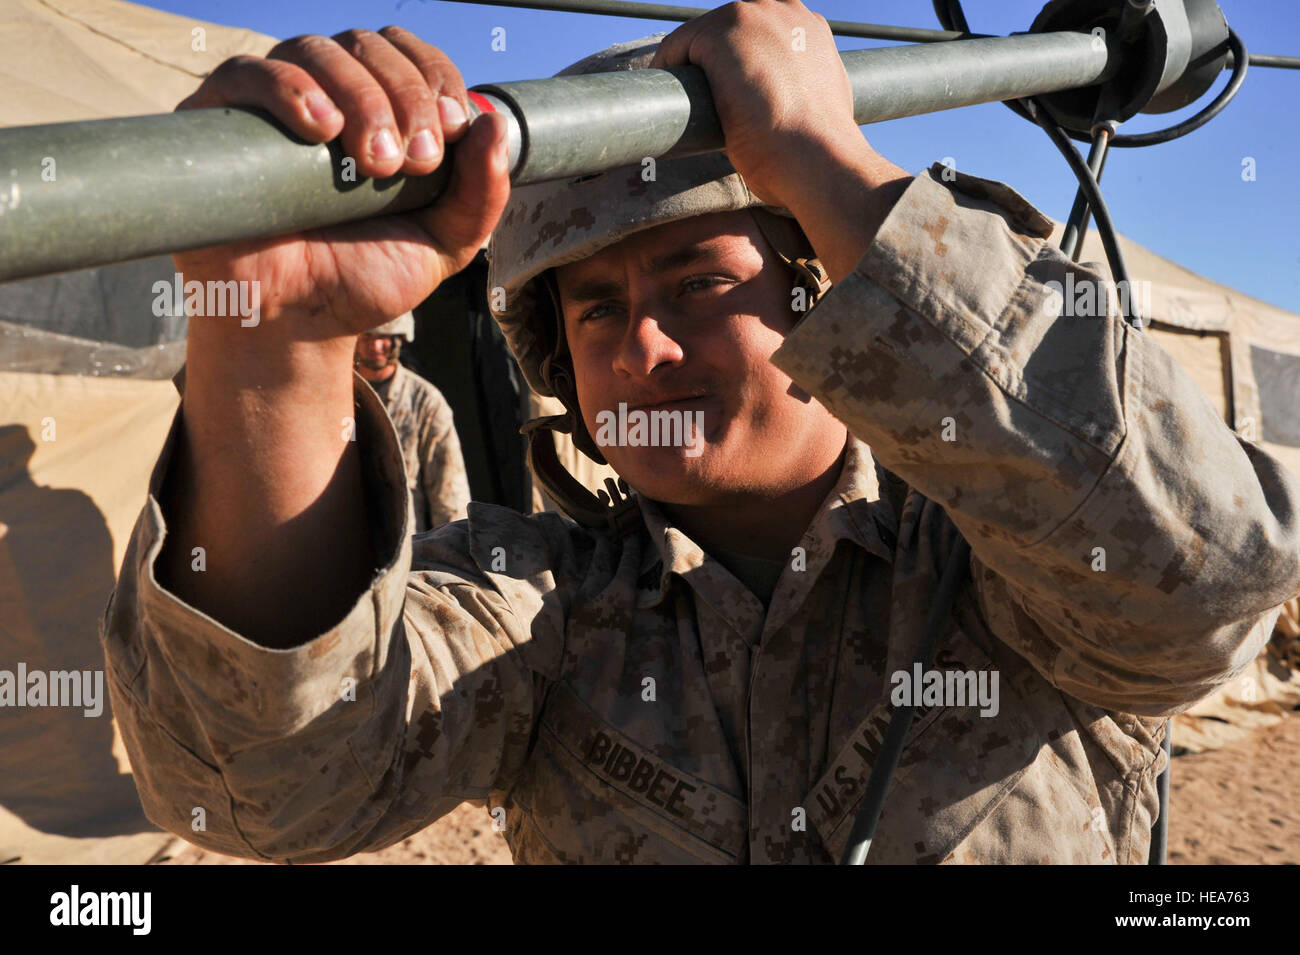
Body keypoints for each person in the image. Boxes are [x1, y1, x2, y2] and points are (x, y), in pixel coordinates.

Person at [101, 2, 1300, 864]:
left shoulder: (1001, 563)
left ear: (824, 293)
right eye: (598, 309)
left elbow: (1206, 586)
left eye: (697, 284)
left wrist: (825, 162)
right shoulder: (547, 610)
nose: (644, 349)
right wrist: (272, 349)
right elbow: (262, 793)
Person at [354, 312, 470, 532]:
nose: (376, 345)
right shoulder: (335, 396)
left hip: (407, 552)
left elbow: (449, 497)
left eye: (384, 336)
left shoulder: (425, 402)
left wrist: (450, 556)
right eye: (367, 335)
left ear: (400, 339)